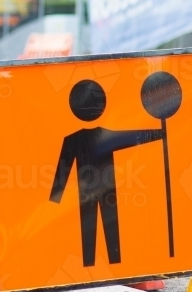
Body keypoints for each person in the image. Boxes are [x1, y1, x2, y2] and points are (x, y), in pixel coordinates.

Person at [49, 79, 163, 267]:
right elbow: (133, 137)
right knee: (111, 227)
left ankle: (90, 264)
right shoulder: (105, 135)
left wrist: (56, 197)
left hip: (86, 190)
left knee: (89, 228)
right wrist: (159, 133)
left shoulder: (73, 139)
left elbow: (64, 168)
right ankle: (115, 261)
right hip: (106, 188)